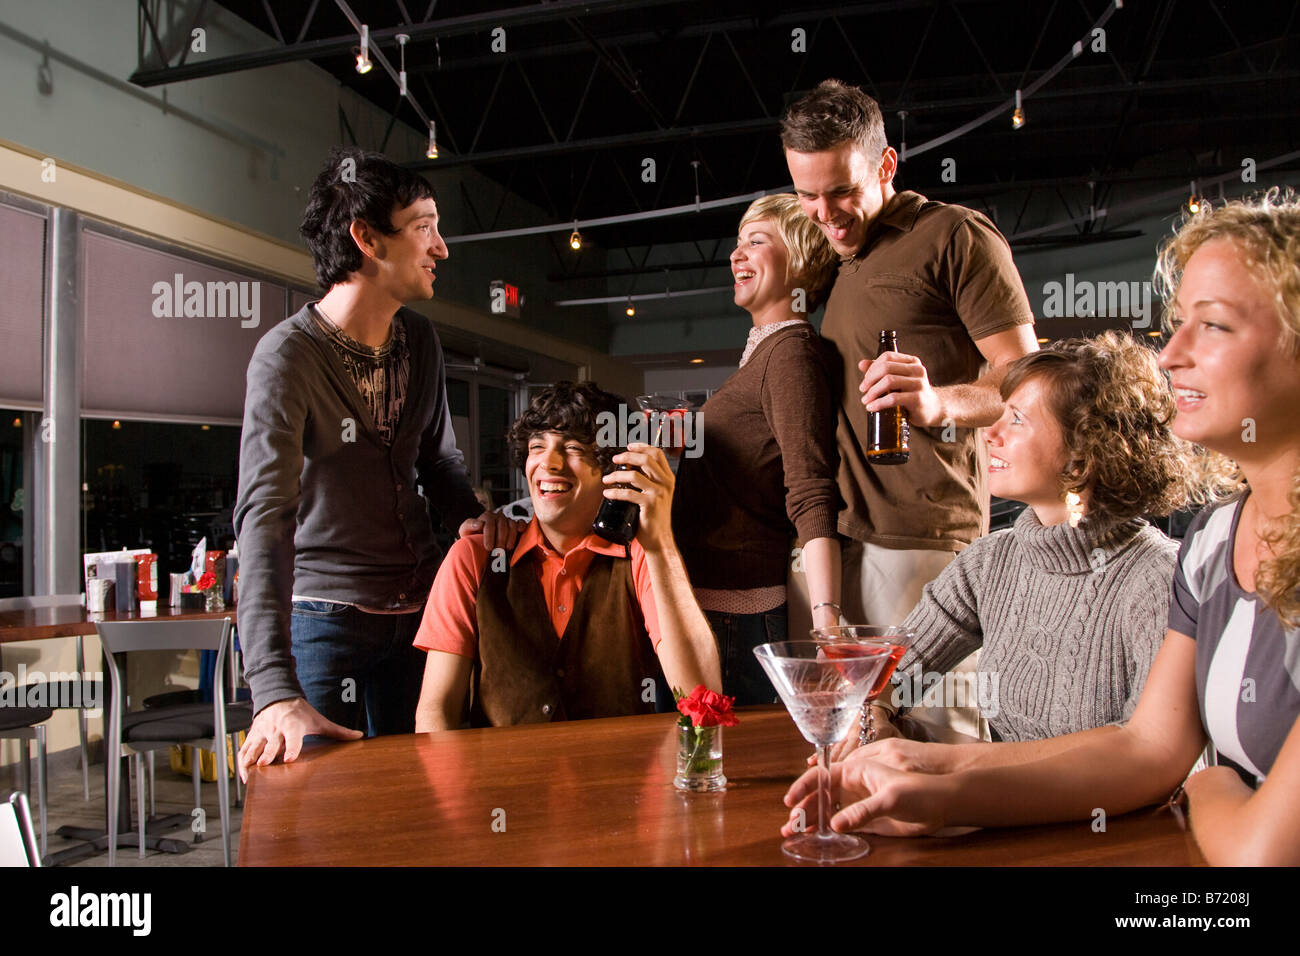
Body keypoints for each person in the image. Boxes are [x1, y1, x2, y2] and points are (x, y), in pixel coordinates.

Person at [782, 192, 1300, 866]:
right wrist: (927, 776)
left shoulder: (1160, 572)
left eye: (1215, 326)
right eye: (1176, 324)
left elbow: (1225, 815)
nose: (1169, 353)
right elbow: (1146, 750)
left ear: (1083, 455)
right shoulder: (1210, 543)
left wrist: (1207, 782)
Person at [235, 147, 520, 779]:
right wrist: (273, 690)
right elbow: (264, 520)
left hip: (418, 615)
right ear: (367, 239)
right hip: (323, 624)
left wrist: (470, 518)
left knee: (420, 801)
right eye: (424, 227)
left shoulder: (419, 338)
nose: (441, 248)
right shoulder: (286, 359)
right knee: (324, 816)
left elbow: (438, 463)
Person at [781, 79, 1039, 731]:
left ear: (887, 165)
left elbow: (1026, 380)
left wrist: (936, 402)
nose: (826, 212)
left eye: (842, 190)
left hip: (921, 542)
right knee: (848, 740)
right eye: (808, 196)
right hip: (837, 544)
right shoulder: (834, 268)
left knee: (937, 738)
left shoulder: (954, 236)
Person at [845, 332, 1197, 751]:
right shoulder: (989, 563)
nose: (989, 433)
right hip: (1012, 808)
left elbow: (1155, 760)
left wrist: (955, 773)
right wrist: (875, 717)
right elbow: (889, 677)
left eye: (1016, 418)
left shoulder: (1159, 579)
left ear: (1085, 447)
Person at [414, 382, 722, 730]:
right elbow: (436, 711)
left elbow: (703, 699)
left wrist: (661, 541)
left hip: (621, 779)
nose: (549, 462)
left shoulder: (641, 558)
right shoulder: (474, 556)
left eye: (573, 447)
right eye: (537, 447)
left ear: (613, 467)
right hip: (500, 781)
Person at [671, 194, 842, 704]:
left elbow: (811, 488)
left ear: (801, 259)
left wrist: (826, 624)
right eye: (738, 242)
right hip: (715, 607)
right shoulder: (766, 351)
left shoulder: (790, 353)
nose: (735, 254)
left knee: (730, 772)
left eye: (756, 241)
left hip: (736, 618)